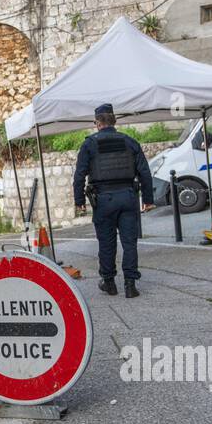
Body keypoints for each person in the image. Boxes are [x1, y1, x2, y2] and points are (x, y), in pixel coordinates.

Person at [73, 104, 155, 297]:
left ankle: (109, 283)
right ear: (114, 122)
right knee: (129, 242)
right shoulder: (130, 141)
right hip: (128, 197)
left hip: (103, 200)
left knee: (107, 242)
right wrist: (148, 199)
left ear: (98, 123)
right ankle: (130, 285)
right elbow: (145, 172)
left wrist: (79, 201)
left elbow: (79, 175)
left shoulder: (89, 144)